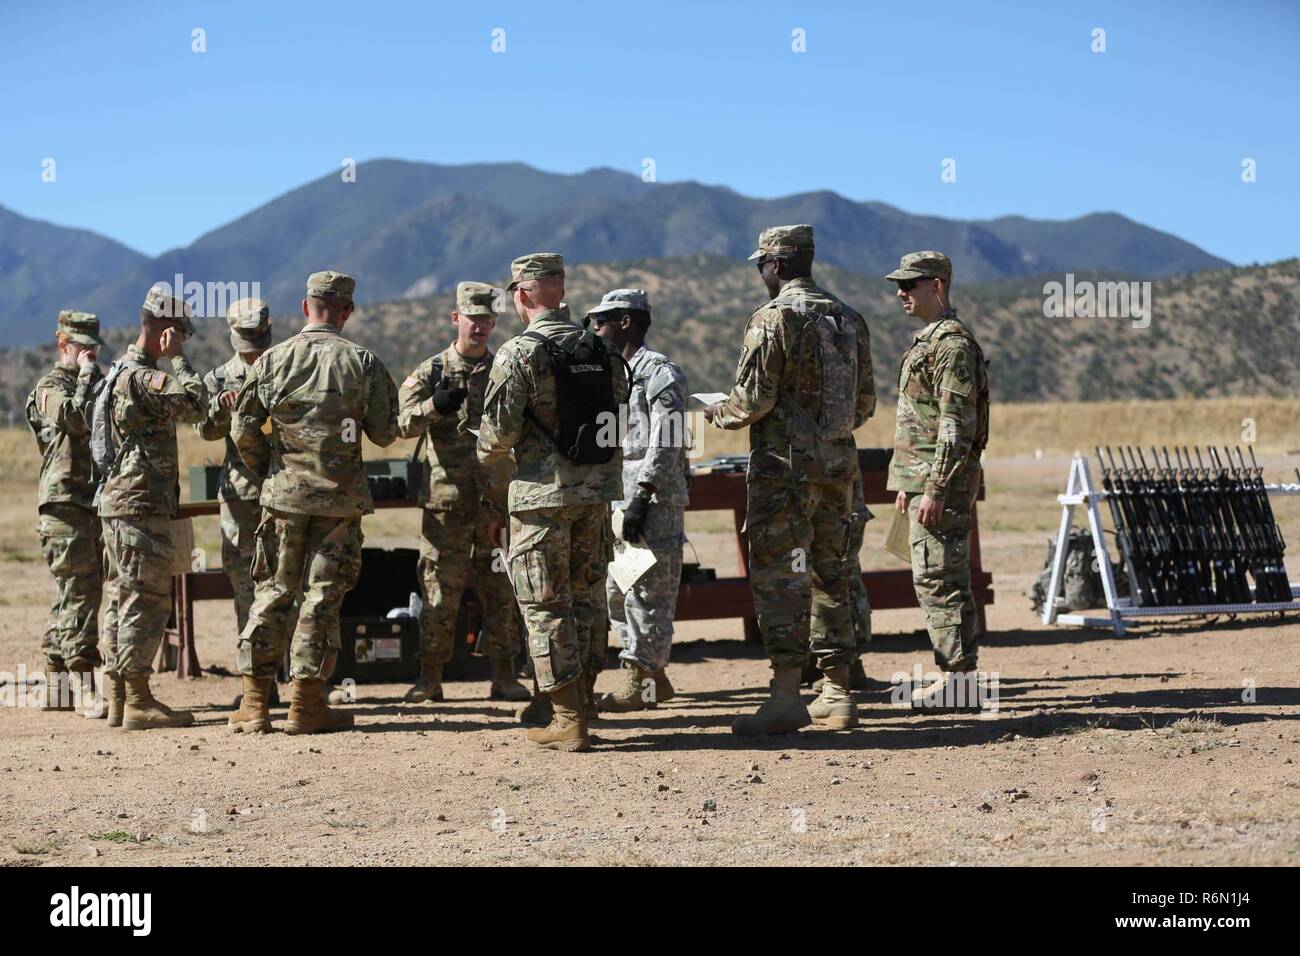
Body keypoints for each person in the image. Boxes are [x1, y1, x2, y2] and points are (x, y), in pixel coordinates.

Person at [706, 225, 874, 735]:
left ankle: (785, 695)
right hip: (838, 470)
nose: (761, 274)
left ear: (775, 266)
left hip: (786, 473)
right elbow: (864, 406)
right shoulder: (849, 317)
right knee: (834, 572)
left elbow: (752, 401)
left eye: (762, 265)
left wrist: (718, 412)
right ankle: (838, 691)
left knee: (781, 576)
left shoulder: (773, 318)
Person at [229, 271, 399, 734]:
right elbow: (386, 434)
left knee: (272, 593)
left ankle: (254, 704)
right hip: (339, 505)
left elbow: (242, 430)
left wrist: (271, 468)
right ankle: (306, 705)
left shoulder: (271, 361)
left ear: (305, 308)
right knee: (320, 600)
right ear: (346, 311)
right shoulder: (363, 363)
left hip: (284, 500)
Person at [477, 253, 627, 752]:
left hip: (542, 498)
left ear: (521, 294)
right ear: (560, 289)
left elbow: (497, 436)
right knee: (588, 598)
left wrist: (483, 443)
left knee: (545, 604)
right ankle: (581, 702)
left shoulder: (519, 353)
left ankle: (567, 717)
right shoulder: (604, 350)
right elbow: (619, 416)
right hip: (596, 494)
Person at [397, 281, 530, 705]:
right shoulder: (430, 372)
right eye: (473, 318)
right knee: (439, 589)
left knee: (501, 591)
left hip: (494, 505)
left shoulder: (505, 369)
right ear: (456, 318)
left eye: (488, 319)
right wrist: (433, 406)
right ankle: (430, 677)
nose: (481, 326)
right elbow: (398, 427)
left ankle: (504, 676)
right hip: (447, 504)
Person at [883, 252, 989, 709]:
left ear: (938, 286)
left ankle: (959, 681)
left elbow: (954, 425)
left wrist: (936, 488)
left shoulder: (951, 346)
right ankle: (957, 677)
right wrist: (909, 482)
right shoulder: (929, 341)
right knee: (936, 577)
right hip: (923, 478)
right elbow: (918, 420)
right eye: (899, 285)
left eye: (912, 284)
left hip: (939, 482)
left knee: (940, 581)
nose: (902, 293)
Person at [98, 287, 206, 730]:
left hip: (120, 503)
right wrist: (179, 360)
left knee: (121, 597)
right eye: (179, 333)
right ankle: (138, 698)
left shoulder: (116, 372)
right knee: (145, 598)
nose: (182, 340)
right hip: (139, 503)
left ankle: (120, 698)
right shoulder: (144, 377)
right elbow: (196, 404)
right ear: (165, 331)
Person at [586, 289, 688, 712]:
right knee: (618, 590)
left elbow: (668, 438)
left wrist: (644, 494)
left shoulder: (658, 371)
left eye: (602, 320)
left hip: (652, 501)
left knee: (648, 592)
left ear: (626, 321)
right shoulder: (614, 373)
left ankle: (640, 675)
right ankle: (654, 678)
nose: (594, 328)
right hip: (618, 498)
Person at [26, 310, 106, 714]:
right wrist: (90, 375)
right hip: (63, 503)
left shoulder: (95, 383)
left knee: (73, 594)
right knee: (81, 591)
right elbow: (73, 419)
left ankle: (56, 688)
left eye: (94, 347)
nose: (90, 354)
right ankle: (85, 683)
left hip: (91, 501)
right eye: (82, 348)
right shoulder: (50, 387)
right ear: (64, 345)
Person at [196, 298, 273, 637]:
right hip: (241, 493)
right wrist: (219, 412)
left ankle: (294, 671)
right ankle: (255, 674)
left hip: (283, 489)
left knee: (287, 580)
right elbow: (205, 432)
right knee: (244, 582)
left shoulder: (283, 370)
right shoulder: (218, 379)